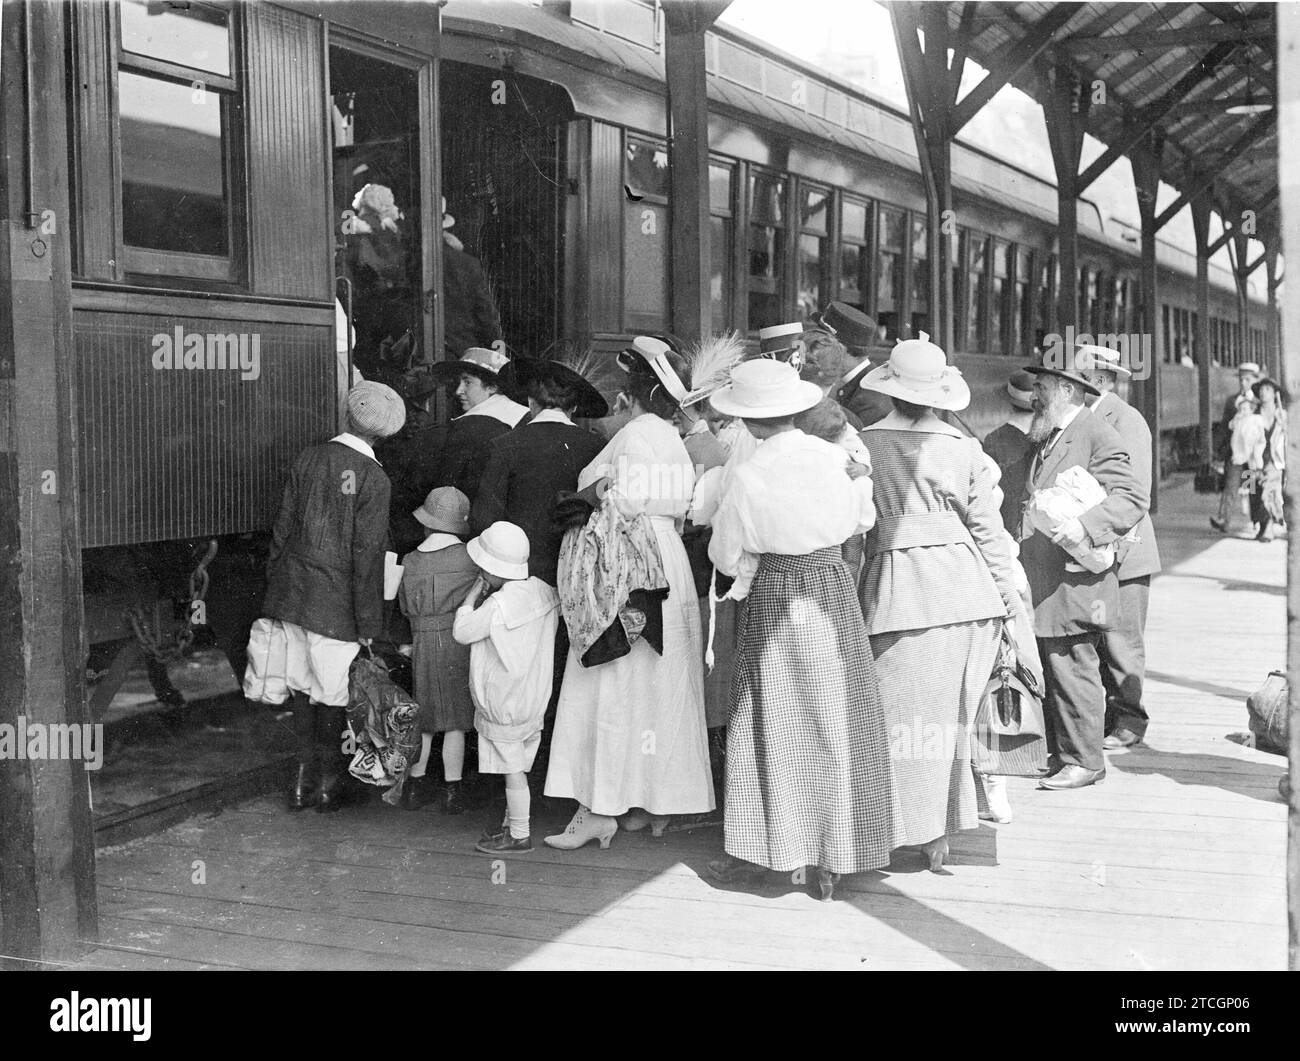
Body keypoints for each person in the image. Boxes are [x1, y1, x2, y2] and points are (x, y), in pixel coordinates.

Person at [704, 359, 897, 901]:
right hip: (831, 585)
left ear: (748, 421)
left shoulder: (746, 475)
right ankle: (839, 853)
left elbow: (726, 551)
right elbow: (864, 519)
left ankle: (779, 853)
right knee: (837, 713)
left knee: (773, 718)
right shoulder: (834, 458)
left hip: (777, 594)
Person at [857, 335, 1022, 870]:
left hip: (894, 596)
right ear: (938, 396)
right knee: (946, 723)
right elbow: (990, 535)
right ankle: (935, 835)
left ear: (890, 391)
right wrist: (1010, 602)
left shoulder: (864, 446)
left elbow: (854, 532)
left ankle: (887, 828)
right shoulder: (965, 450)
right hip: (965, 598)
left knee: (890, 719)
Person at [543, 337, 715, 848]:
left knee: (611, 678)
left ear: (631, 388)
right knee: (657, 684)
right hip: (666, 561)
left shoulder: (637, 436)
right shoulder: (669, 437)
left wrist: (586, 496)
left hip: (628, 562)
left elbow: (624, 504)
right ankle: (650, 799)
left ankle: (600, 807)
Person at [260, 380, 406, 812]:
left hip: (293, 595)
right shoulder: (374, 478)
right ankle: (326, 786)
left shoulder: (310, 456)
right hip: (336, 607)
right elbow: (366, 558)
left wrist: (278, 584)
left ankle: (301, 783)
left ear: (348, 414)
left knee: (302, 691)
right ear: (382, 434)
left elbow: (282, 530)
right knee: (331, 694)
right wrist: (368, 626)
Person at [471, 355, 609, 795]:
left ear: (530, 400)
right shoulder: (594, 448)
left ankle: (517, 781)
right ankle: (563, 778)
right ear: (573, 406)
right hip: (578, 583)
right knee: (570, 678)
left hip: (521, 586)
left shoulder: (508, 445)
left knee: (518, 682)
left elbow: (484, 519)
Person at [1019, 358, 1147, 790]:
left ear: (1067, 391)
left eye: (1041, 387)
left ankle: (1086, 761)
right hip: (1050, 576)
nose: (1033, 394)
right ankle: (1066, 754)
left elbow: (1131, 498)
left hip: (1076, 577)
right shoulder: (1055, 432)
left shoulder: (1095, 433)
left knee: (1074, 664)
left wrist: (1086, 526)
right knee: (1057, 663)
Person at [453, 522, 560, 855]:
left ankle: (519, 834)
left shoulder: (497, 606)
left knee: (512, 771)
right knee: (517, 766)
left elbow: (462, 631)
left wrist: (471, 596)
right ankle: (508, 825)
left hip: (503, 702)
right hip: (532, 697)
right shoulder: (544, 592)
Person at [1076, 345, 1162, 750]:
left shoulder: (1128, 420)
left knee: (1124, 641)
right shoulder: (1085, 418)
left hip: (1126, 548)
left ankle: (1131, 720)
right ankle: (1109, 717)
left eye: (1079, 378)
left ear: (1098, 380)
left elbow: (1134, 492)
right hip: (1096, 546)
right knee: (1101, 636)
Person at [396, 487, 480, 814]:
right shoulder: (470, 557)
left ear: (428, 523)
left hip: (422, 640)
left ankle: (415, 787)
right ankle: (452, 791)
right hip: (458, 640)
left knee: (426, 715)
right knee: (457, 719)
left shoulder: (411, 560)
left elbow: (403, 606)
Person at [428, 347, 529, 503]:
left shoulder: (466, 428)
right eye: (459, 382)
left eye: (467, 382)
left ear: (492, 387)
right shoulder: (527, 419)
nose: (458, 391)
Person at [812, 301, 893, 427]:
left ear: (840, 349)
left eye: (822, 343)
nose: (814, 351)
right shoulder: (857, 383)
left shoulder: (870, 401)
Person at [441, 197, 503, 358]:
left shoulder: (409, 259)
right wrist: (499, 348)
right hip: (461, 349)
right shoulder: (467, 264)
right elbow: (486, 315)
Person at [981, 368, 1038, 534]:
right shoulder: (1048, 438)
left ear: (1008, 401)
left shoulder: (994, 439)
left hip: (1005, 523)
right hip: (1037, 528)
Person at [1212, 361, 1262, 534]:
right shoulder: (1232, 401)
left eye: (1247, 380)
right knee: (1231, 485)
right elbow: (1224, 427)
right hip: (1235, 453)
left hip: (1252, 456)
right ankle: (1223, 520)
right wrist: (1217, 450)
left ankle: (1256, 520)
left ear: (1255, 380)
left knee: (1251, 487)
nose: (1243, 383)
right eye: (1241, 379)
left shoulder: (1259, 402)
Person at [1244, 377, 1287, 542]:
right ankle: (1261, 526)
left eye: (1267, 389)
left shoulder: (1282, 414)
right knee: (1252, 493)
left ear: (1274, 393)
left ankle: (1269, 527)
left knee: (1269, 493)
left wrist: (1285, 426)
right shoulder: (1252, 413)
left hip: (1274, 461)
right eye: (1261, 390)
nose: (1263, 392)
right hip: (1250, 462)